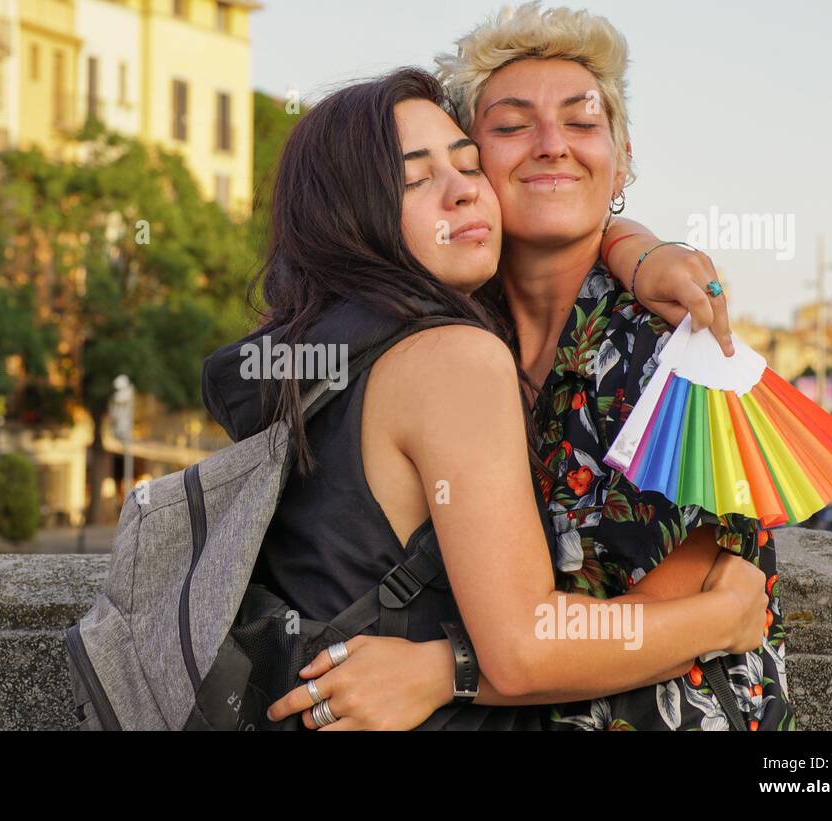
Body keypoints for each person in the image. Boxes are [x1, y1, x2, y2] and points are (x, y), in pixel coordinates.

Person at [269, 4, 793, 731]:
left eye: (582, 124)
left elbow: (675, 620)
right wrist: (633, 245)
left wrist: (442, 669)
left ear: (623, 160)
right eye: (511, 127)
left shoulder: (685, 349)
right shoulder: (443, 331)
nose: (551, 145)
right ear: (478, 163)